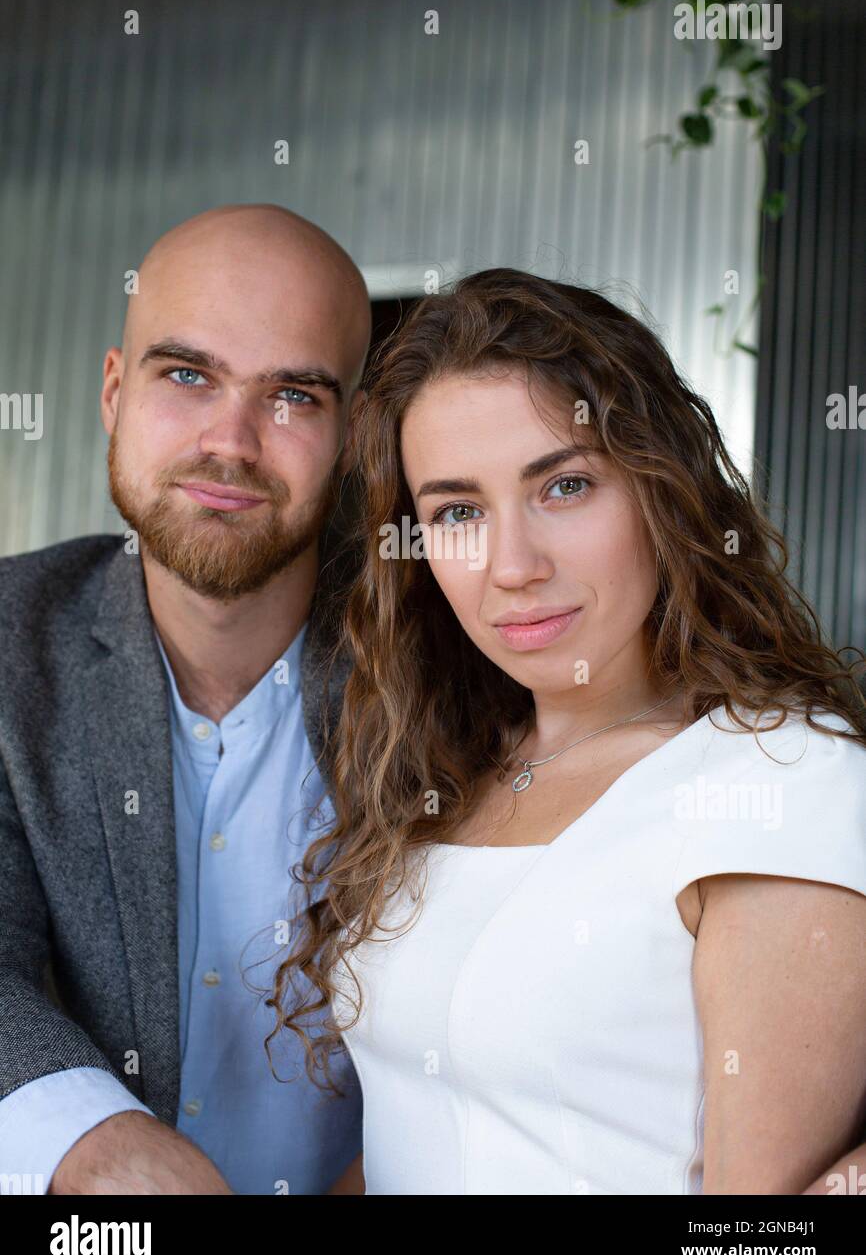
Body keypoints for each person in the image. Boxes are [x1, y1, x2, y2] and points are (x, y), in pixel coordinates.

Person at [266, 267, 866, 1195]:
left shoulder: (783, 783)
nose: (512, 566)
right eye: (458, 511)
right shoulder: (450, 768)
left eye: (566, 486)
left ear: (662, 491)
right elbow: (431, 1129)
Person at [0, 203, 370, 1195]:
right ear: (114, 393)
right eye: (186, 374)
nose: (232, 440)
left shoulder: (447, 668)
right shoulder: (7, 641)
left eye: (293, 394)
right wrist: (92, 1145)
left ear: (350, 435)